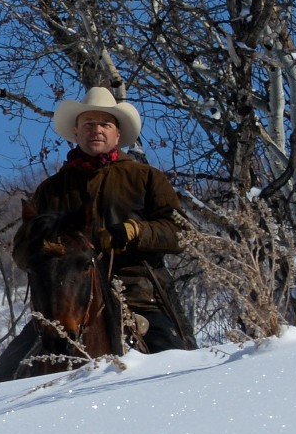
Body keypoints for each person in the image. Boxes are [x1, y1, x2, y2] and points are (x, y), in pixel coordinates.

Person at [17, 86, 197, 353]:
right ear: (76, 132)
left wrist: (135, 231)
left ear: (117, 133)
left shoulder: (146, 178)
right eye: (88, 124)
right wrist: (41, 248)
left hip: (137, 294)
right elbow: (21, 252)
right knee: (8, 368)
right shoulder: (50, 190)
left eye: (105, 124)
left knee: (171, 358)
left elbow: (182, 234)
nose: (96, 130)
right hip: (63, 302)